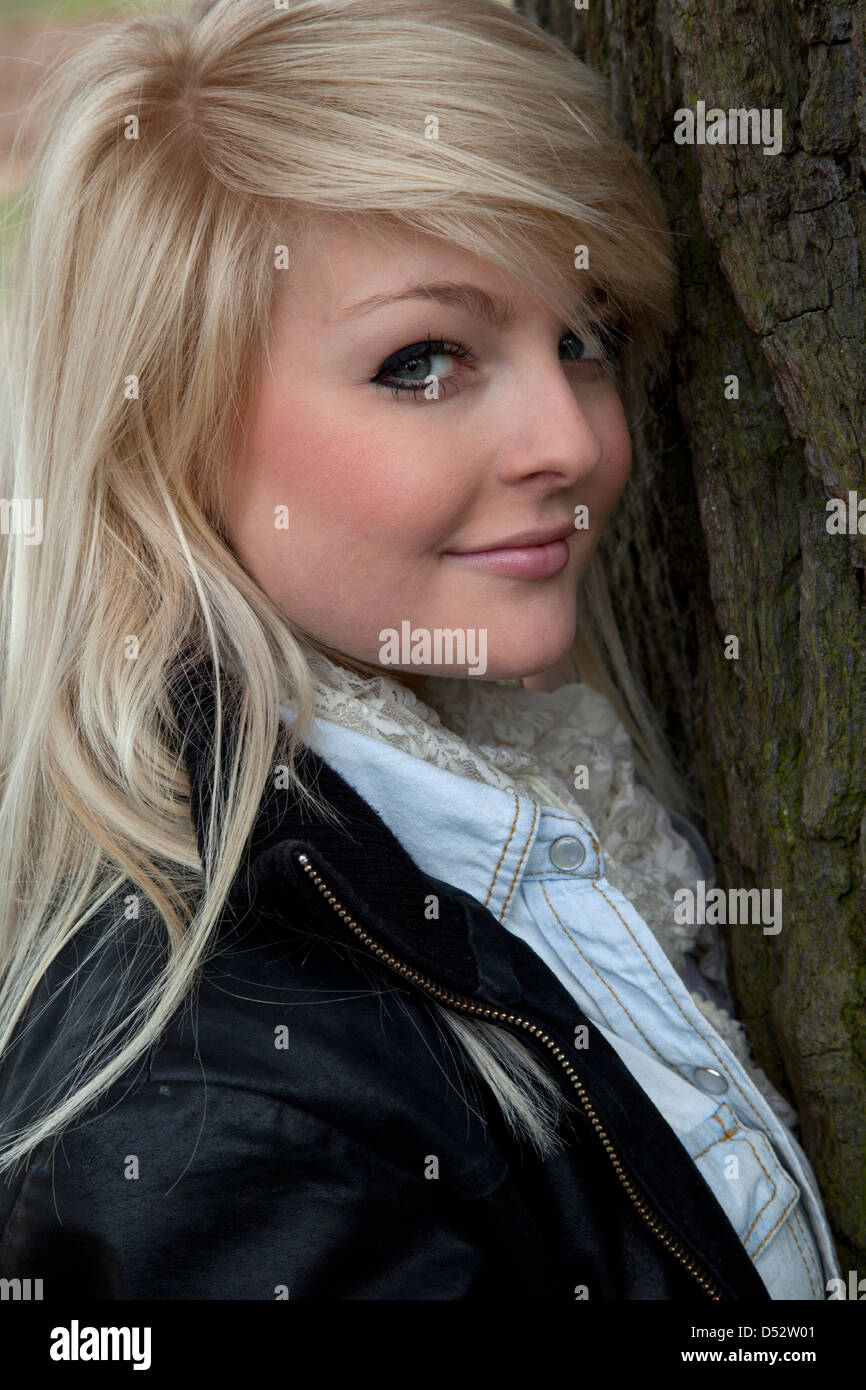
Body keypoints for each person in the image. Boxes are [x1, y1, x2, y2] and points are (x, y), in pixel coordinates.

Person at [0, 0, 839, 1300]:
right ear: (169, 426)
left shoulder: (563, 809)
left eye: (586, 339)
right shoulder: (215, 1109)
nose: (569, 438)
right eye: (425, 358)